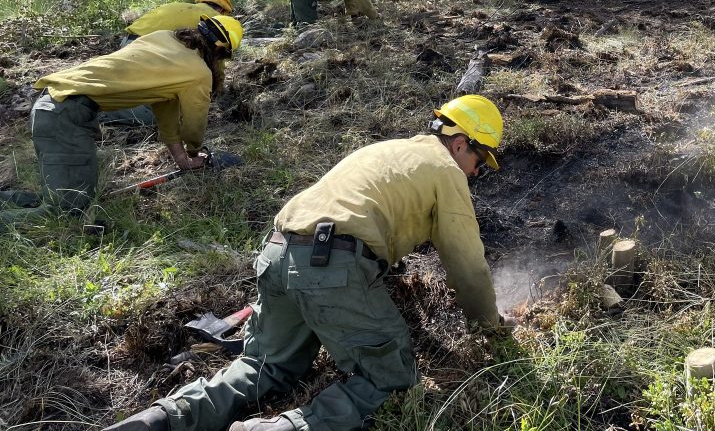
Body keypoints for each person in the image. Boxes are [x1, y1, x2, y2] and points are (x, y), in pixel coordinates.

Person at [105, 94, 514, 431]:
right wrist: (490, 331)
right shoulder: (445, 170)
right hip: (331, 264)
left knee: (264, 365)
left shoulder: (389, 150)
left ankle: (163, 419)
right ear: (460, 144)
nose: (476, 173)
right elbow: (469, 267)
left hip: (277, 252)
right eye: (480, 162)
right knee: (391, 379)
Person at [0, 15, 243, 224]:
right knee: (67, 212)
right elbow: (193, 125)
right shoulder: (198, 73)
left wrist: (180, 157)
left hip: (52, 104)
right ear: (220, 50)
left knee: (71, 195)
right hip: (66, 114)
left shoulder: (164, 39)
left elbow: (166, 110)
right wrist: (194, 152)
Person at [101, 0, 236, 126]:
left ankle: (104, 97)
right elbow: (217, 59)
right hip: (148, 54)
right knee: (160, 117)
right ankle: (103, 112)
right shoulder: (214, 20)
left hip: (128, 44)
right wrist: (218, 90)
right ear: (222, 10)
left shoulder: (177, 6)